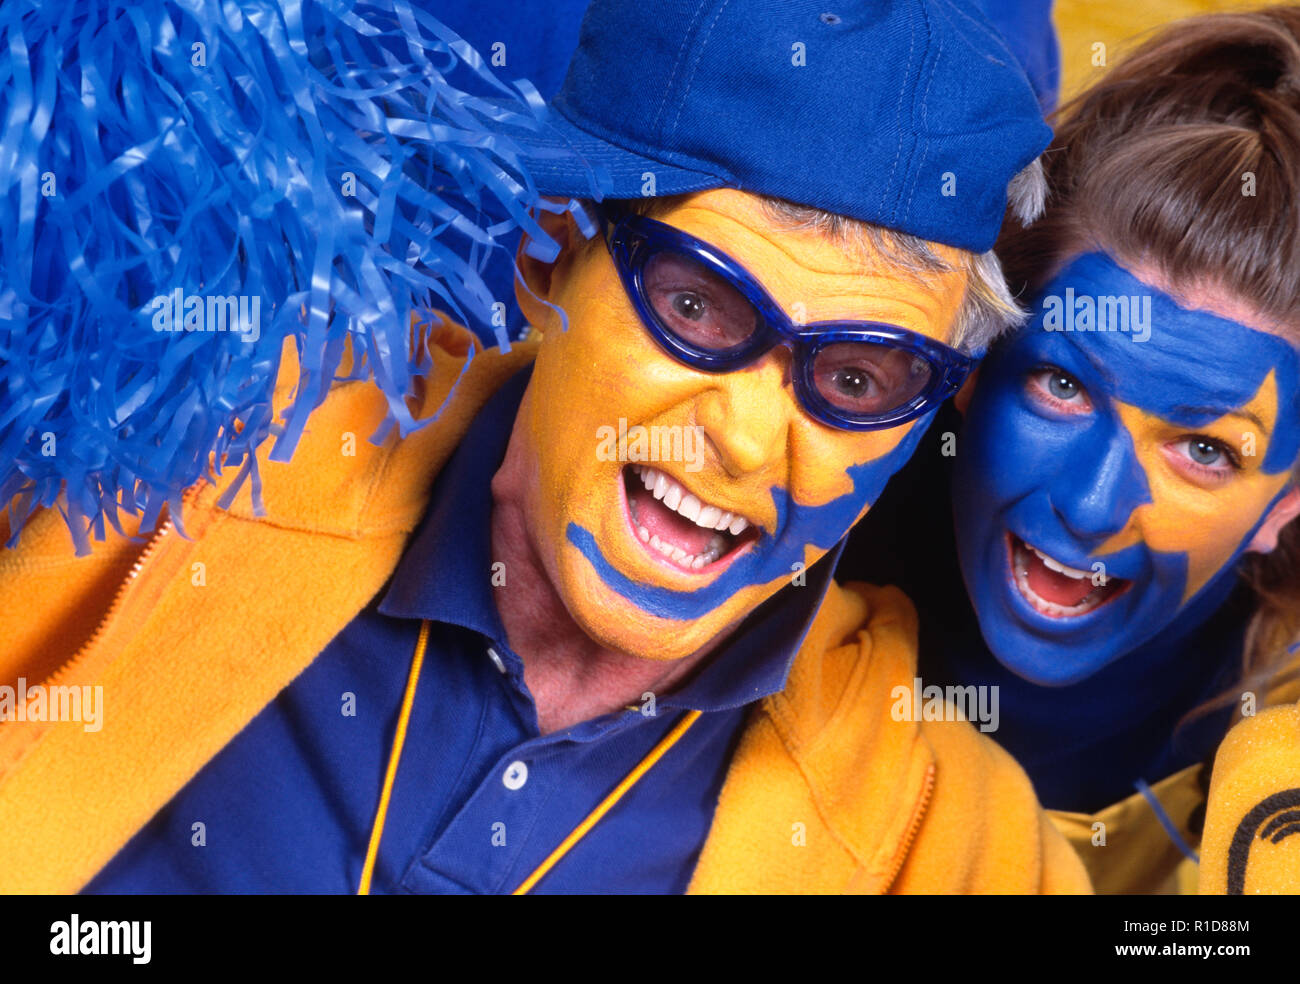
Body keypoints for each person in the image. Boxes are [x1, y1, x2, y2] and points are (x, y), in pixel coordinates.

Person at [0, 0, 1089, 893]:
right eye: (698, 310)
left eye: (857, 379)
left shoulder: (950, 843)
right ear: (544, 263)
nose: (751, 443)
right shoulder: (203, 446)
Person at [841, 5, 1300, 894]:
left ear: (1286, 504)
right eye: (1062, 385)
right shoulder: (789, 522)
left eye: (1205, 449)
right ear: (975, 358)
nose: (1091, 508)